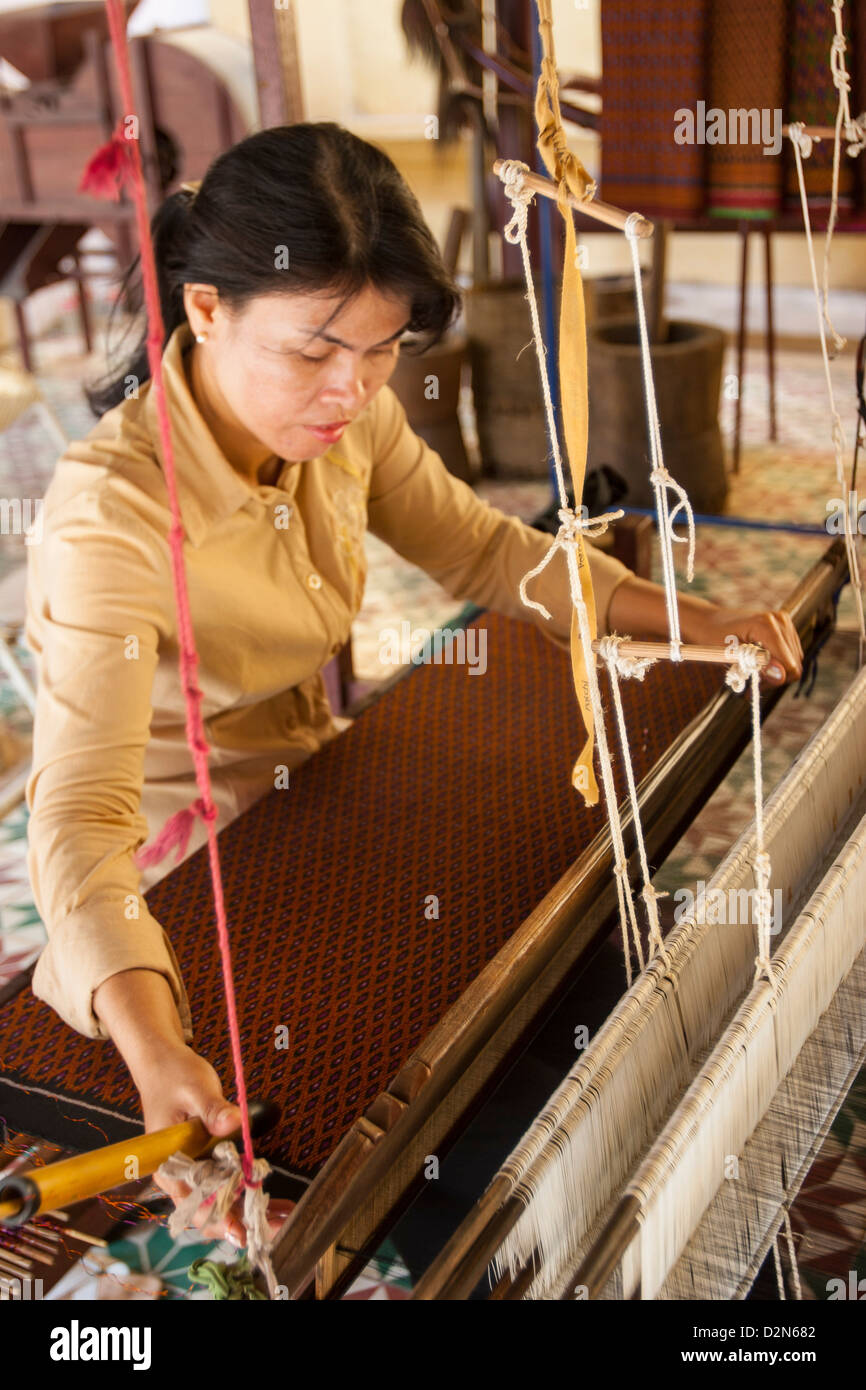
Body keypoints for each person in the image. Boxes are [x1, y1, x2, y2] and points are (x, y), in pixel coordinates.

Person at [24, 123, 803, 1244]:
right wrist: (158, 1053)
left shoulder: (345, 417)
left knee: (616, 974)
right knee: (500, 1154)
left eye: (383, 348)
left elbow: (491, 553)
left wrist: (705, 622)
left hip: (321, 794)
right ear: (204, 310)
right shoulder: (114, 515)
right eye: (315, 350)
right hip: (184, 879)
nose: (353, 387)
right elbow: (79, 820)